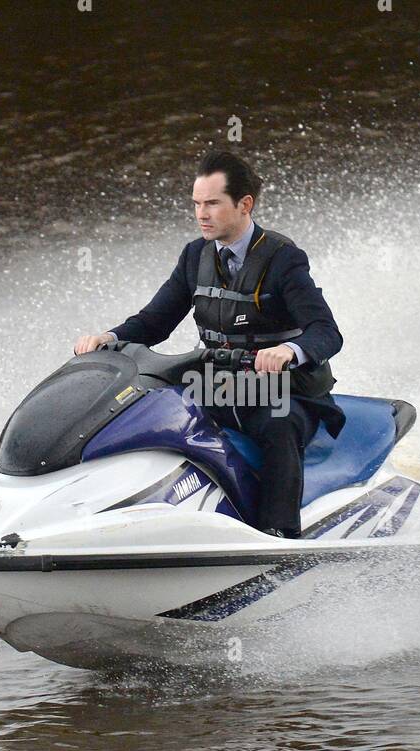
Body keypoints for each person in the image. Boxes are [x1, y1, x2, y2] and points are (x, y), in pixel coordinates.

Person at [74, 151, 344, 538]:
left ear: (244, 204)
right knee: (144, 410)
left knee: (276, 424)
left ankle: (279, 536)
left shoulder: (283, 260)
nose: (202, 213)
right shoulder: (194, 256)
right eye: (197, 204)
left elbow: (326, 331)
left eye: (213, 203)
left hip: (286, 391)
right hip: (221, 386)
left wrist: (289, 352)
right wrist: (111, 338)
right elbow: (155, 321)